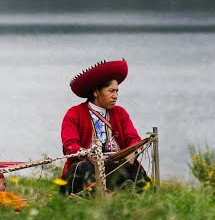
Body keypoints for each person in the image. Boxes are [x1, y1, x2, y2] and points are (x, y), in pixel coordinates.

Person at [60, 59, 150, 195]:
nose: (115, 96)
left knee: (133, 170)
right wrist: (87, 154)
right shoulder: (74, 113)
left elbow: (133, 138)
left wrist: (132, 152)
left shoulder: (120, 113)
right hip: (88, 164)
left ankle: (144, 202)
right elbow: (69, 145)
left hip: (116, 164)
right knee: (84, 168)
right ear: (96, 92)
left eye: (117, 91)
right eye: (111, 91)